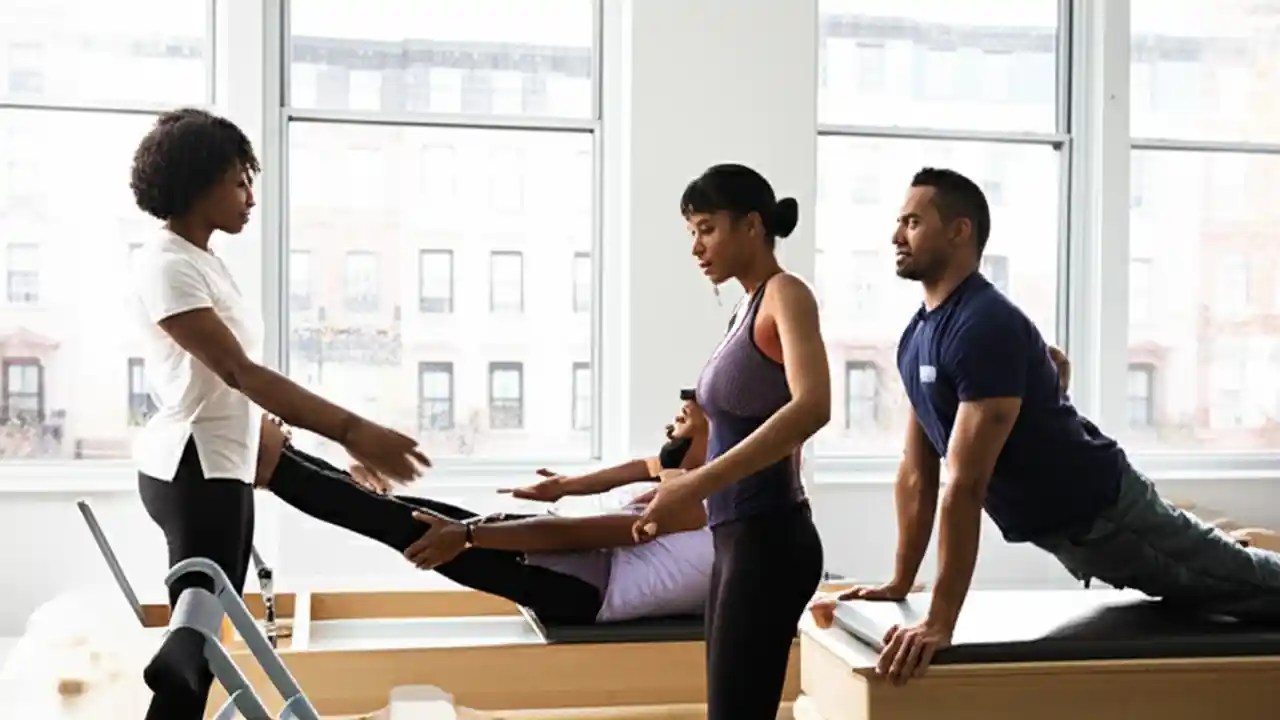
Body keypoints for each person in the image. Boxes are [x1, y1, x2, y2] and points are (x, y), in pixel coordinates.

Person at [812, 167, 1280, 685]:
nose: (897, 236)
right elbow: (917, 474)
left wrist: (940, 621)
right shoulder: (916, 336)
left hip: (1112, 515)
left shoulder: (983, 324)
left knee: (1252, 587)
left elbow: (963, 485)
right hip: (1082, 534)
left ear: (959, 231)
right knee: (1223, 584)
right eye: (899, 222)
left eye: (913, 221)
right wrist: (900, 581)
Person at [127, 108, 429, 719]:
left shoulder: (200, 259)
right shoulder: (167, 265)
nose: (251, 197)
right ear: (197, 181)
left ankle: (184, 642)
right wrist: (353, 429)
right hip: (197, 466)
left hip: (225, 458)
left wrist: (267, 429)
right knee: (198, 646)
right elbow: (239, 371)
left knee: (203, 636)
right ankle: (183, 643)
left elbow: (223, 382)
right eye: (239, 181)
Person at [633, 164, 831, 719]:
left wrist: (697, 483)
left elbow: (813, 406)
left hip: (770, 538)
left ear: (751, 225)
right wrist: (675, 478)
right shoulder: (745, 305)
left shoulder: (786, 295)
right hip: (736, 537)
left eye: (706, 228)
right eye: (691, 233)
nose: (697, 247)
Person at [255, 389, 714, 624]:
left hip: (586, 586)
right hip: (585, 566)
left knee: (403, 524)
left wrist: (470, 535)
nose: (674, 418)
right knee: (399, 512)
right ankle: (282, 456)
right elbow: (645, 465)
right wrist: (563, 487)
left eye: (687, 417)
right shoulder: (688, 483)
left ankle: (273, 464)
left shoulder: (697, 503)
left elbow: (581, 533)